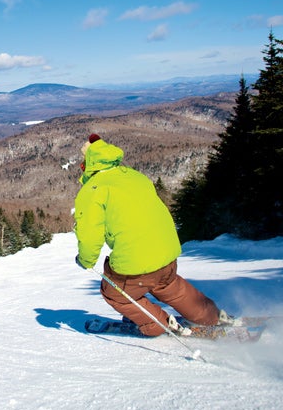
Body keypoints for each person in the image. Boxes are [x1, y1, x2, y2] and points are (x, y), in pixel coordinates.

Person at [73, 133, 234, 336]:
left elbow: (90, 236)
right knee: (168, 285)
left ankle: (158, 324)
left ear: (89, 164)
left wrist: (86, 261)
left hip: (136, 264)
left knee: (115, 292)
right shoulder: (133, 176)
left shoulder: (93, 191)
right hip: (166, 252)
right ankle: (210, 316)